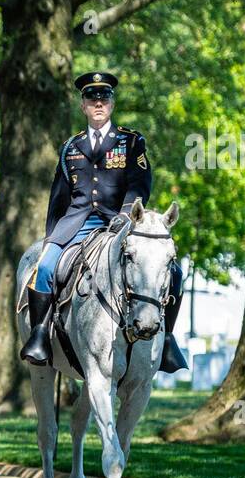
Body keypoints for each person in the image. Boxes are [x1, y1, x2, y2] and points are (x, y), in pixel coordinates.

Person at [20, 71, 187, 371]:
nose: (98, 103)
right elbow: (58, 198)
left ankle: (168, 341)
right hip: (76, 224)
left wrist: (125, 215)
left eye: (104, 98)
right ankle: (40, 335)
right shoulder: (70, 147)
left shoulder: (130, 141)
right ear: (83, 105)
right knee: (44, 267)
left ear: (111, 104)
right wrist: (51, 238)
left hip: (119, 220)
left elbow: (139, 183)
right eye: (91, 98)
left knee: (173, 271)